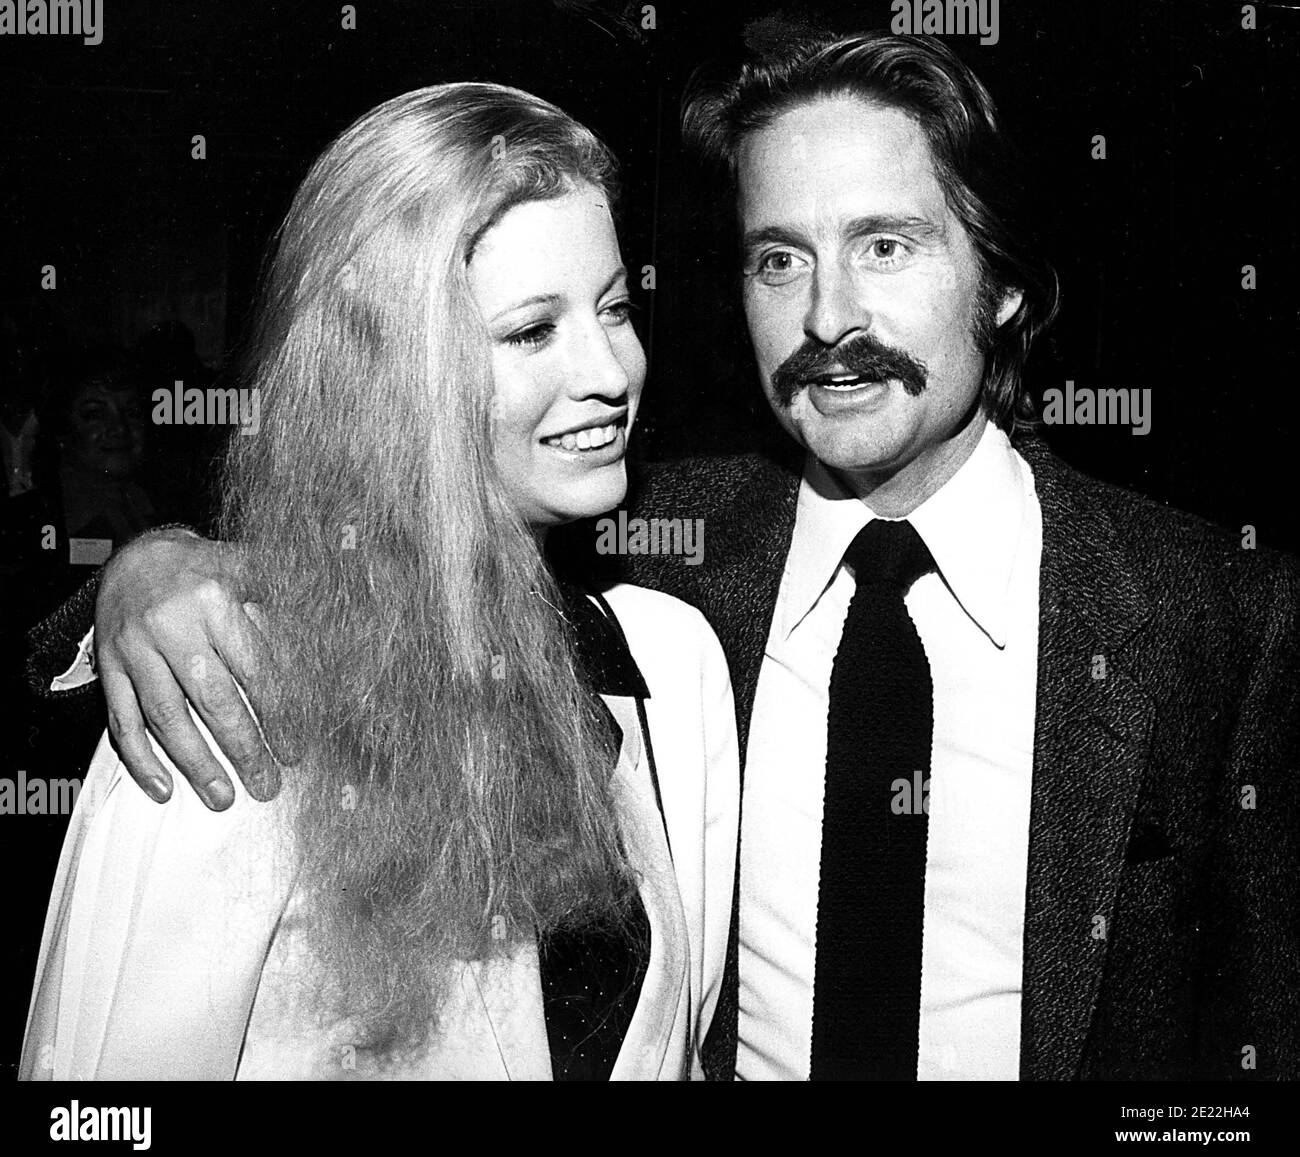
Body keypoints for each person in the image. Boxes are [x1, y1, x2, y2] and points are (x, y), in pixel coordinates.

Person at [30, 31, 1300, 1083]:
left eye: (887, 245)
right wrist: (140, 573)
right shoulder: (677, 572)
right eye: (777, 258)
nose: (828, 318)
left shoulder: (1205, 614)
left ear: (1007, 284)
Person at [19, 82, 738, 1080]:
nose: (610, 369)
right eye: (533, 330)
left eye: (614, 308)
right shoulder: (226, 689)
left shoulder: (670, 665)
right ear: (389, 375)